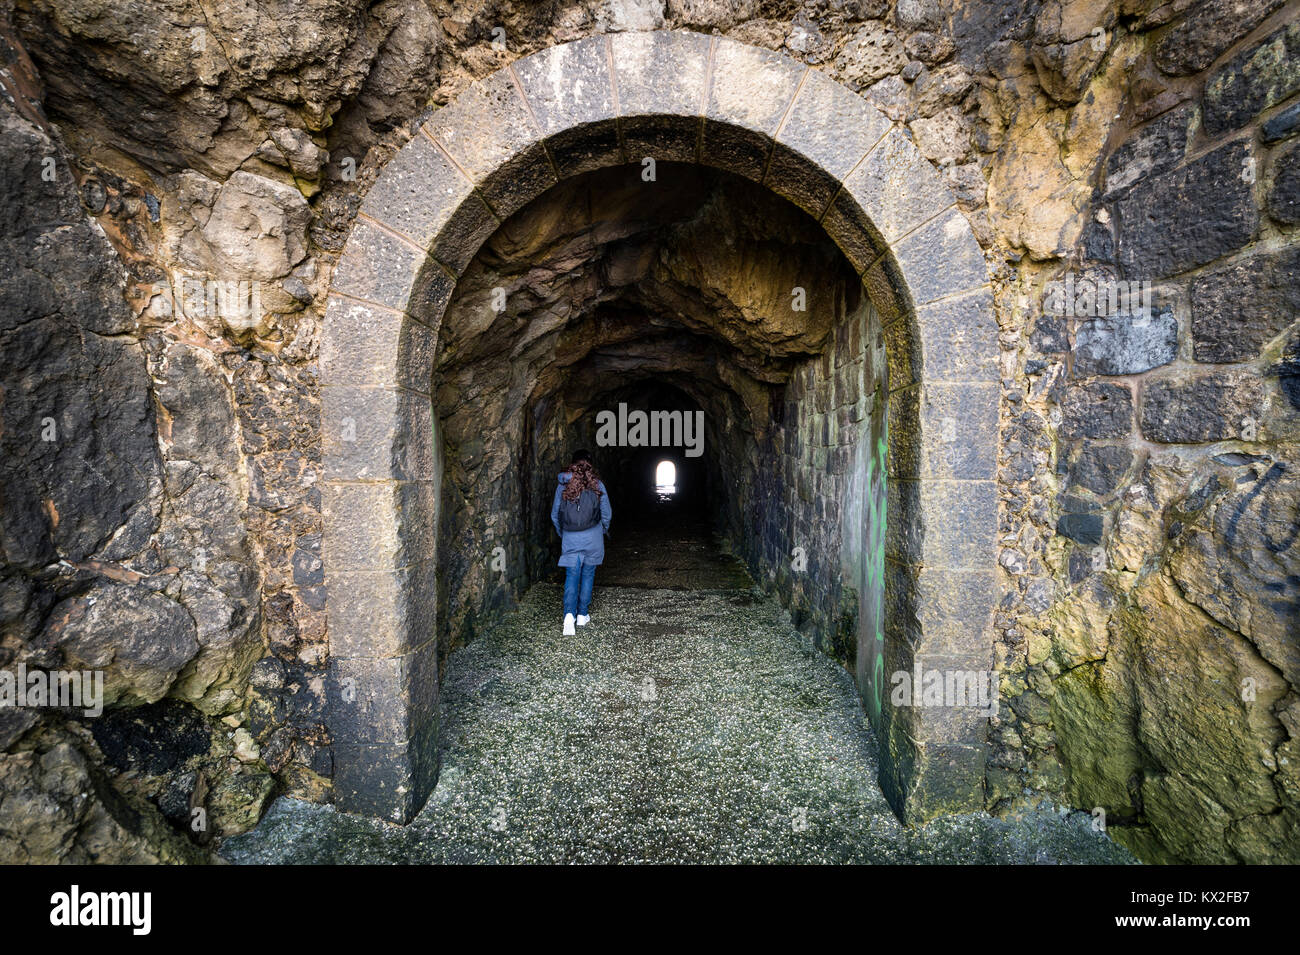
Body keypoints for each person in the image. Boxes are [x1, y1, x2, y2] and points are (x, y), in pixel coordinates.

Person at [550, 450, 612, 635]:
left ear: (572, 463)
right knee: (588, 575)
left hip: (571, 537)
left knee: (572, 575)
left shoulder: (562, 485)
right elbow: (607, 513)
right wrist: (602, 530)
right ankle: (583, 615)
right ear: (590, 464)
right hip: (593, 536)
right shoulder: (597, 484)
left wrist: (563, 533)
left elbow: (555, 515)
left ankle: (569, 616)